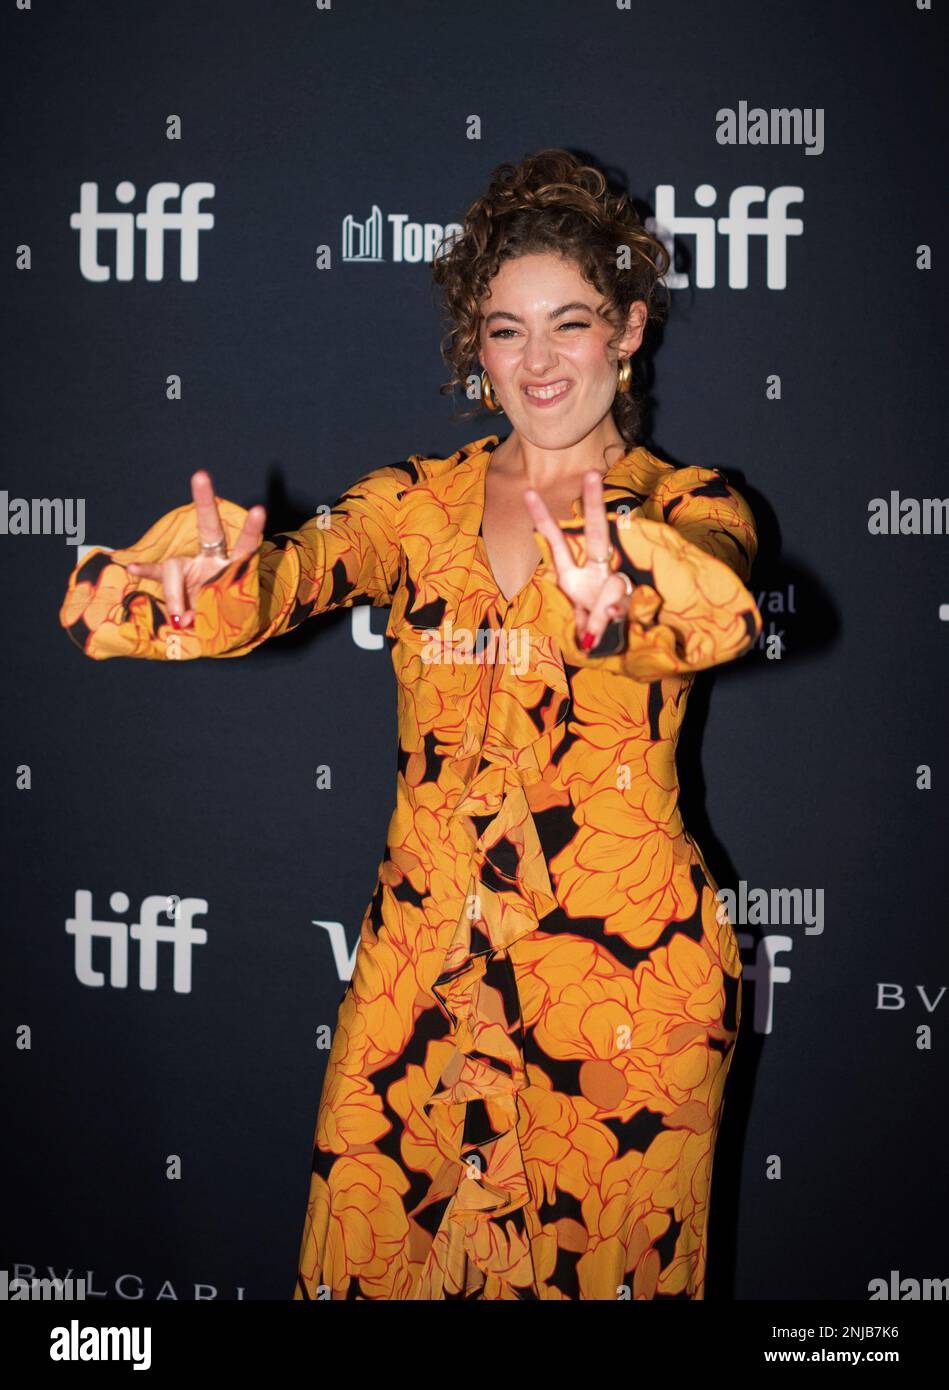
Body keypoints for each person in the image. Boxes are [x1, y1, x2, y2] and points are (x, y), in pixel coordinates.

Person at [59, 148, 762, 1300]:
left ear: (627, 332)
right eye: (503, 330)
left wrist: (624, 593)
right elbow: (297, 575)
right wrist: (207, 582)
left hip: (628, 994)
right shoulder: (414, 501)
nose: (536, 361)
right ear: (473, 347)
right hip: (417, 972)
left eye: (569, 323)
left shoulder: (691, 505)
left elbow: (712, 605)